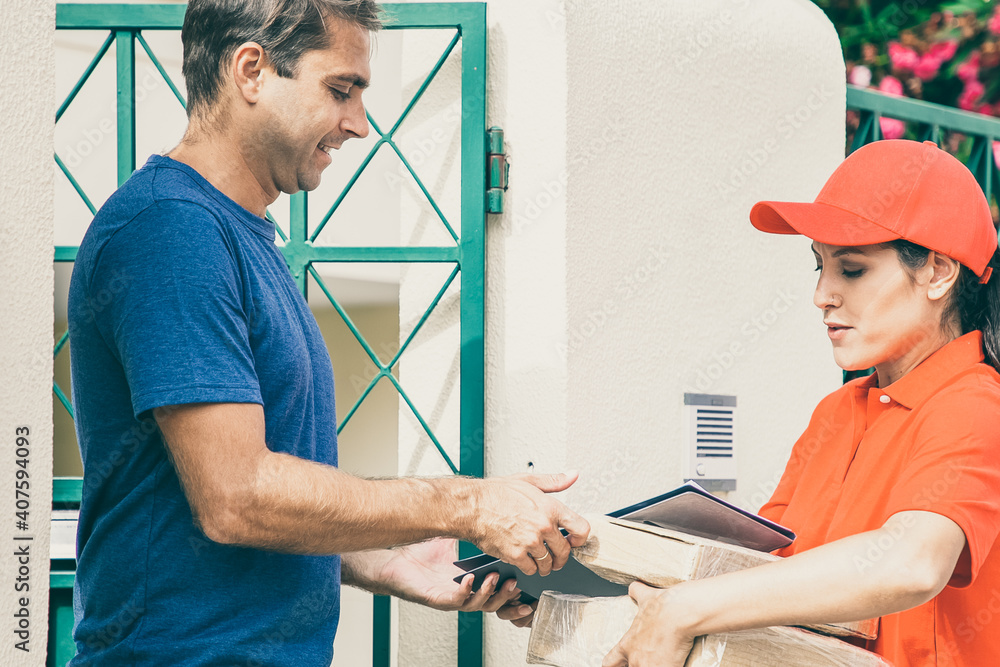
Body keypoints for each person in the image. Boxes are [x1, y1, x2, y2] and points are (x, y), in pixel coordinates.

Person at [66, 1, 588, 664]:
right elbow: (236, 496)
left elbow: (239, 511)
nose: (359, 124)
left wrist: (386, 561)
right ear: (251, 70)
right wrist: (466, 502)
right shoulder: (172, 231)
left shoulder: (241, 235)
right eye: (341, 89)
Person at [603, 139, 1000, 667]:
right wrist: (587, 578)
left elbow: (913, 563)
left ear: (937, 272)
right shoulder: (836, 413)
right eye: (819, 266)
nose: (822, 295)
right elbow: (764, 577)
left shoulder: (975, 405)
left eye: (852, 270)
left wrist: (684, 609)